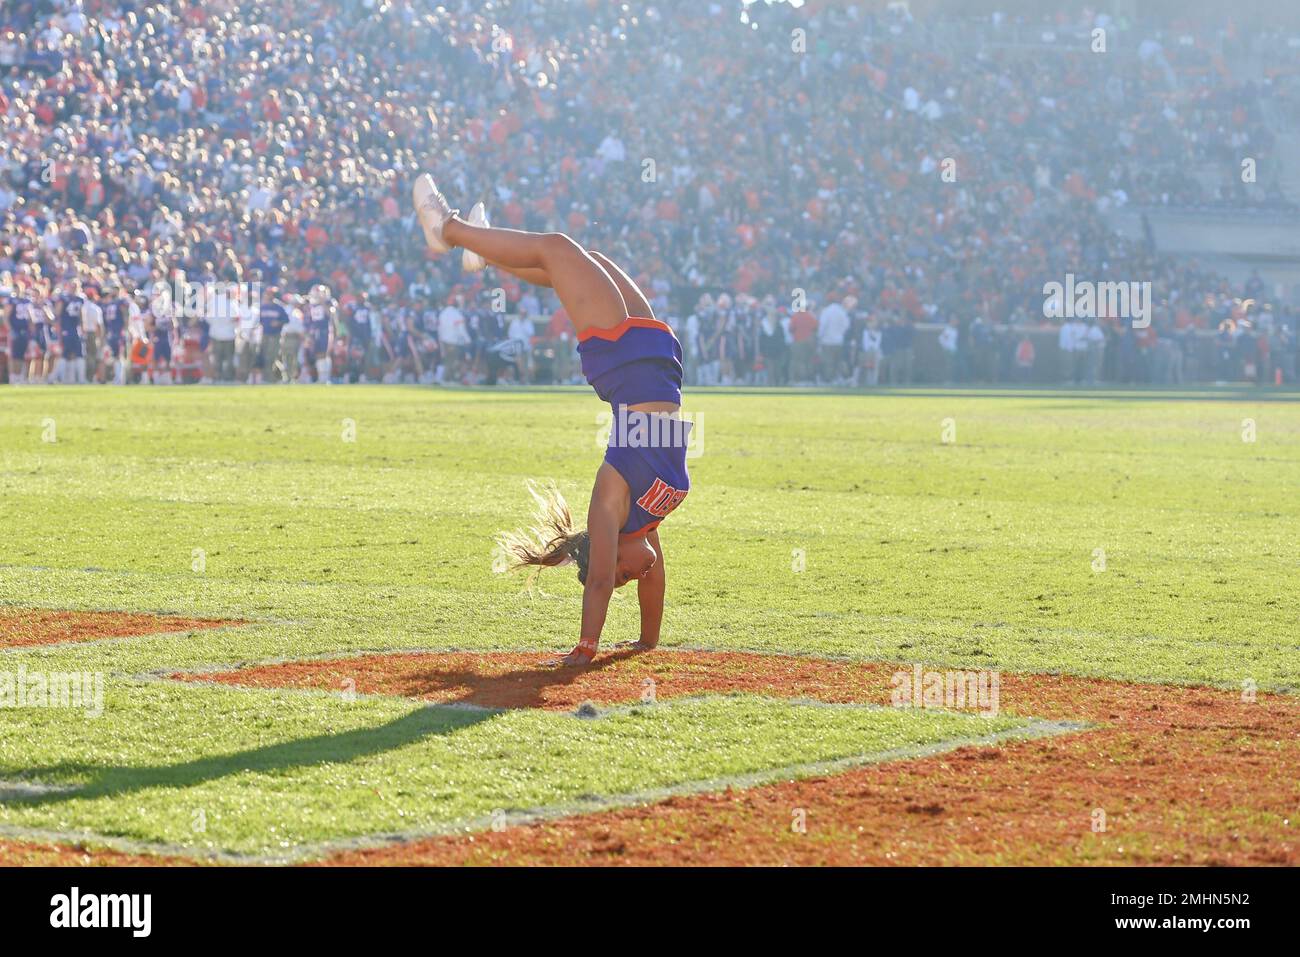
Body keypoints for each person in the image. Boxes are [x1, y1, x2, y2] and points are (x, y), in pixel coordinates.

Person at [414, 177, 689, 667]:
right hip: (656, 358)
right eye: (630, 579)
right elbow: (653, 579)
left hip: (621, 363)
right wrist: (648, 642)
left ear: (609, 553)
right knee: (584, 258)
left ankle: (447, 229)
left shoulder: (612, 501)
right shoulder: (649, 518)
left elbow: (600, 578)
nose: (632, 578)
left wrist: (587, 649)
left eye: (622, 575)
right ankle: (486, 254)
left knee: (558, 250)